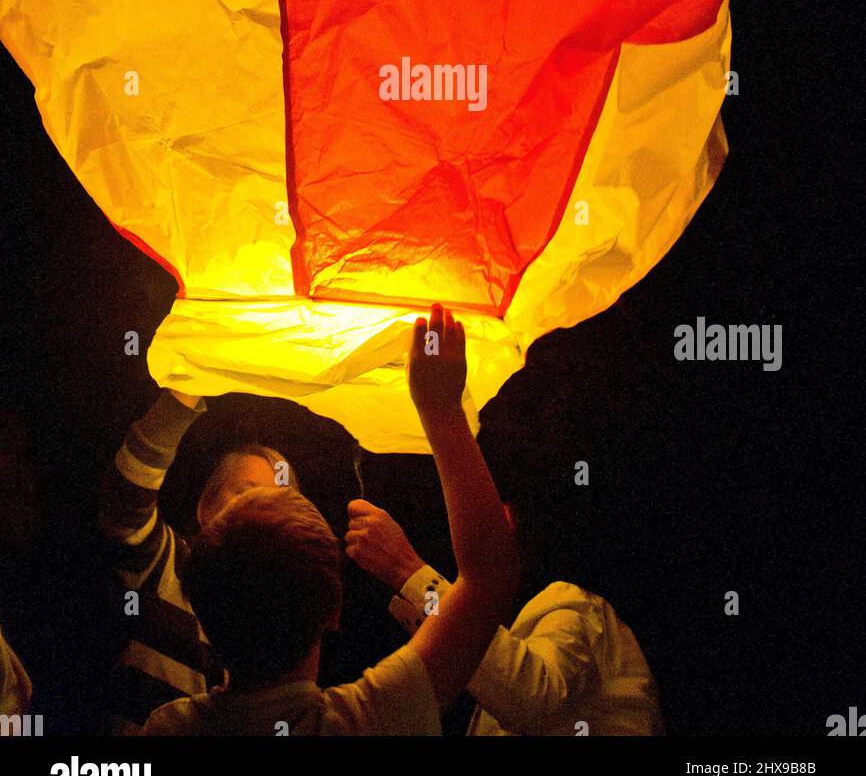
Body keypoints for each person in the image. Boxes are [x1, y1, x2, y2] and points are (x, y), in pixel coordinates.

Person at [142, 305, 519, 735]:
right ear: (334, 611)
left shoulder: (169, 727)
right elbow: (489, 579)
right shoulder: (364, 720)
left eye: (283, 494)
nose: (271, 495)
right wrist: (441, 408)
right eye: (251, 494)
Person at [345, 496, 664, 736]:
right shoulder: (513, 638)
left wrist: (406, 570)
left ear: (506, 524)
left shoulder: (571, 602)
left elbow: (535, 700)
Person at [98, 385, 297, 734]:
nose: (257, 511)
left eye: (274, 503)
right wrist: (184, 389)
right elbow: (126, 498)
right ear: (207, 504)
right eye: (246, 493)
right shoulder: (170, 564)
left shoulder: (275, 628)